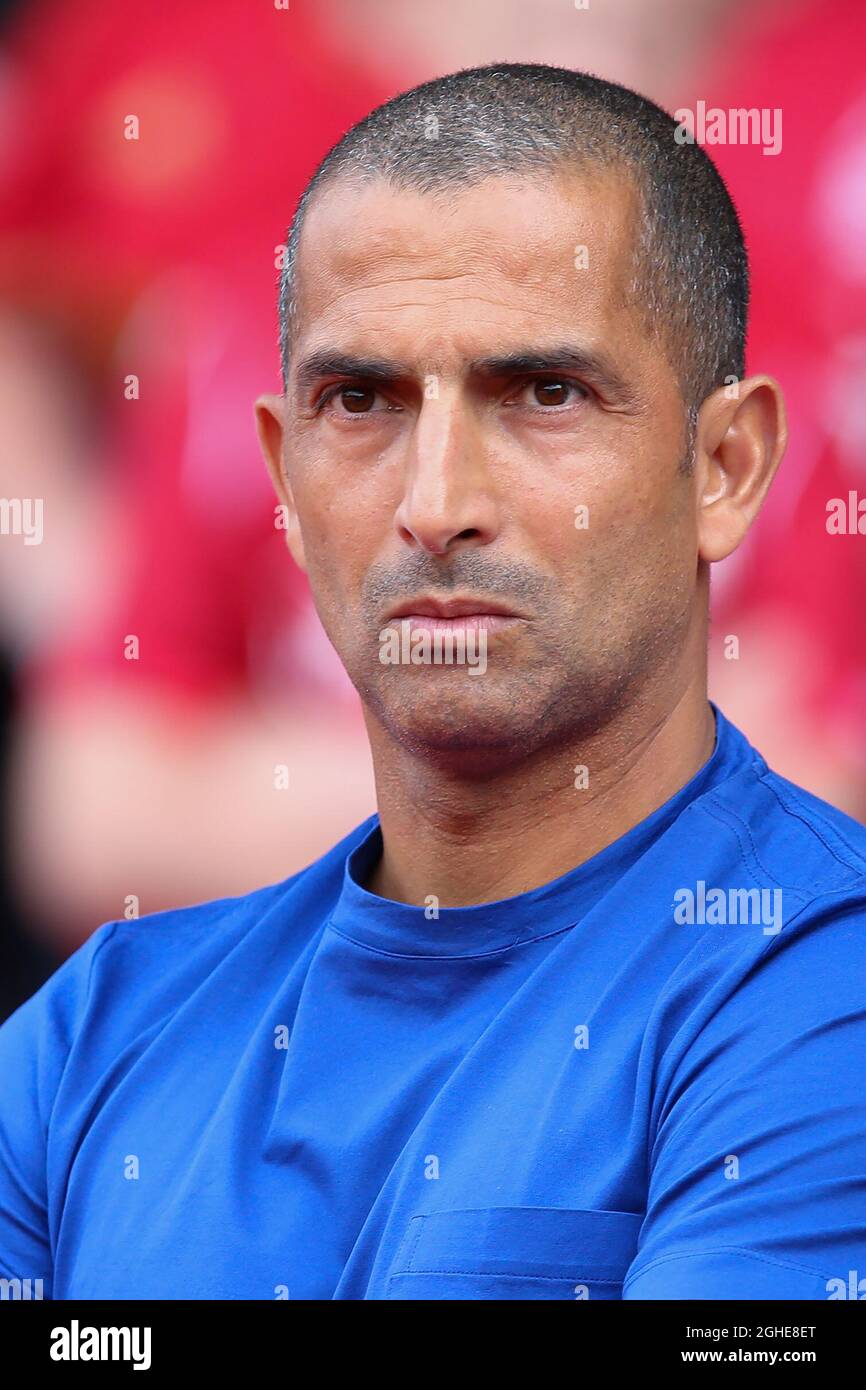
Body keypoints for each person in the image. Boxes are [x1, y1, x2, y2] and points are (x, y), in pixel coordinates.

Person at [2, 64, 865, 1302]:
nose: (434, 504)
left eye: (542, 393)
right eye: (359, 401)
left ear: (726, 465)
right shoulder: (85, 1040)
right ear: (284, 481)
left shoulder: (821, 990)